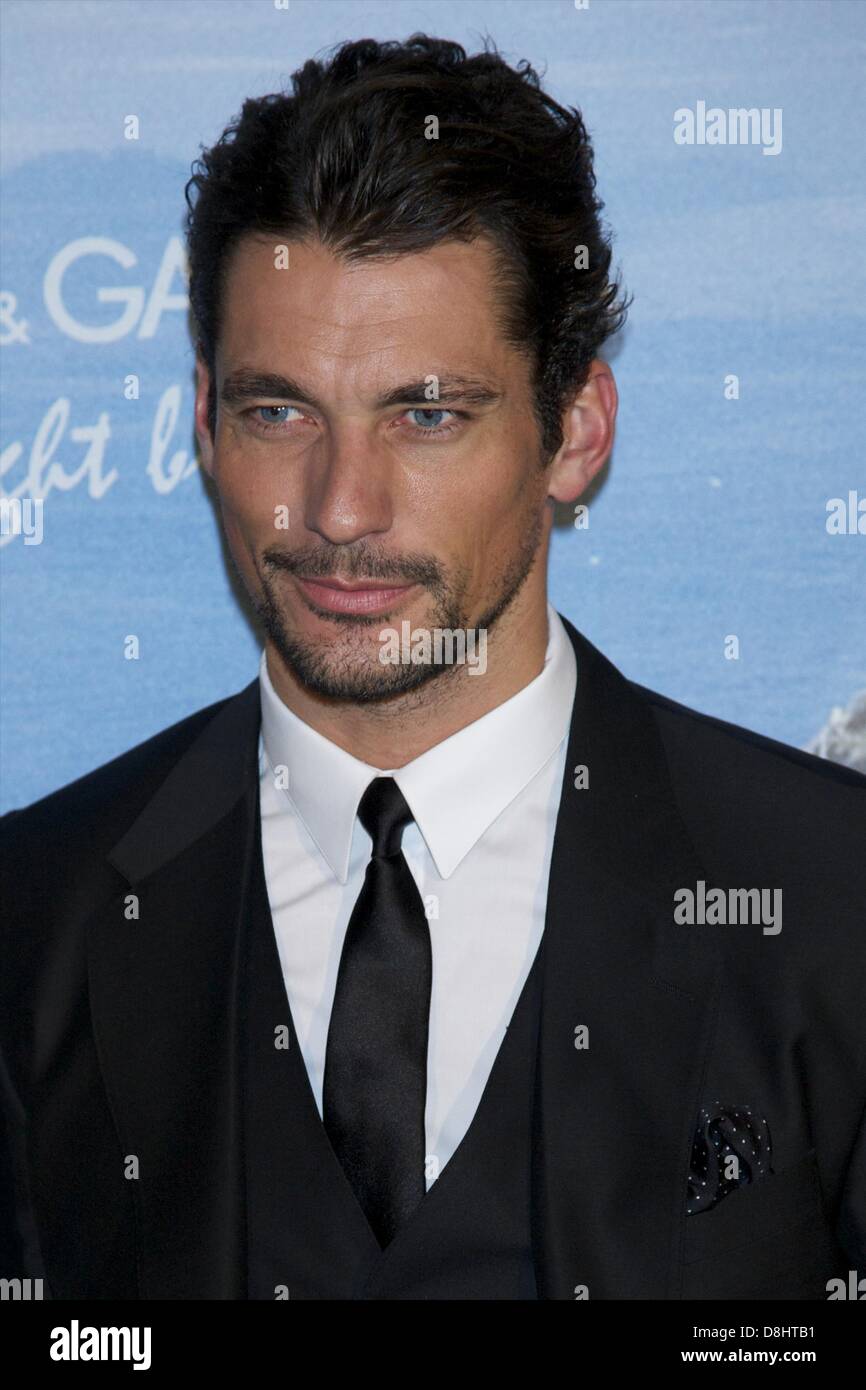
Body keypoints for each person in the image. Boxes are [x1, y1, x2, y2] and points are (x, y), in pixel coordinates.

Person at [1, 34, 864, 1301]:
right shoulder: (35, 922)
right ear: (201, 422)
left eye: (426, 414)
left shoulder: (832, 902)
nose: (340, 507)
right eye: (277, 411)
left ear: (573, 432)